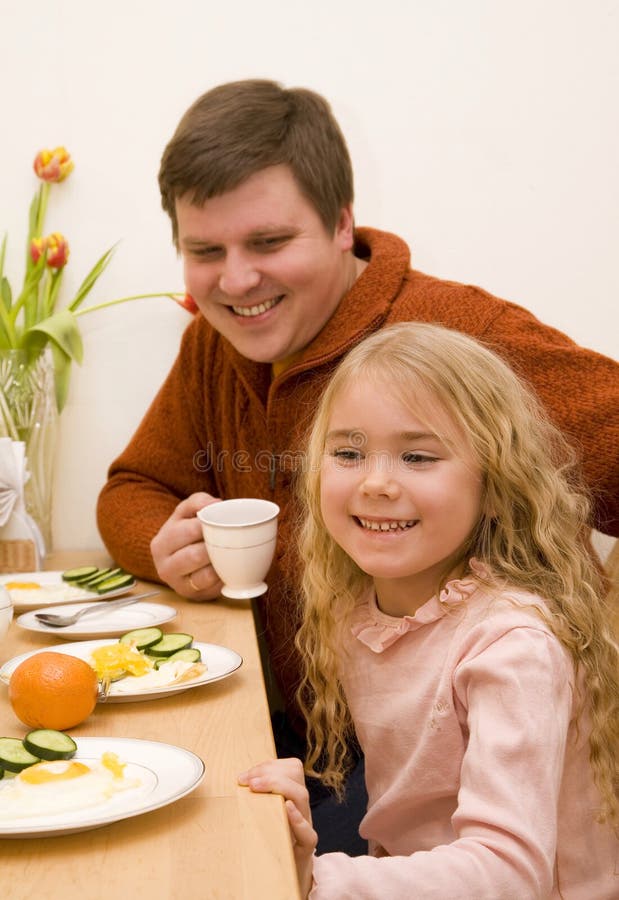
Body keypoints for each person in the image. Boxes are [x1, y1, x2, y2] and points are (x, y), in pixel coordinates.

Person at [96, 79, 619, 852]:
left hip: (456, 783)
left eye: (269, 243)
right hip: (313, 742)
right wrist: (165, 547)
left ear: (342, 225)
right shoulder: (214, 346)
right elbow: (133, 486)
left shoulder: (459, 338)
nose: (235, 281)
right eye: (205, 251)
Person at [238, 322, 619, 899]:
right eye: (347, 452)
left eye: (417, 456)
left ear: (495, 485)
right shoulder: (358, 610)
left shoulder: (514, 649)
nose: (376, 482)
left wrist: (318, 878)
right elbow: (409, 820)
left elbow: (510, 874)